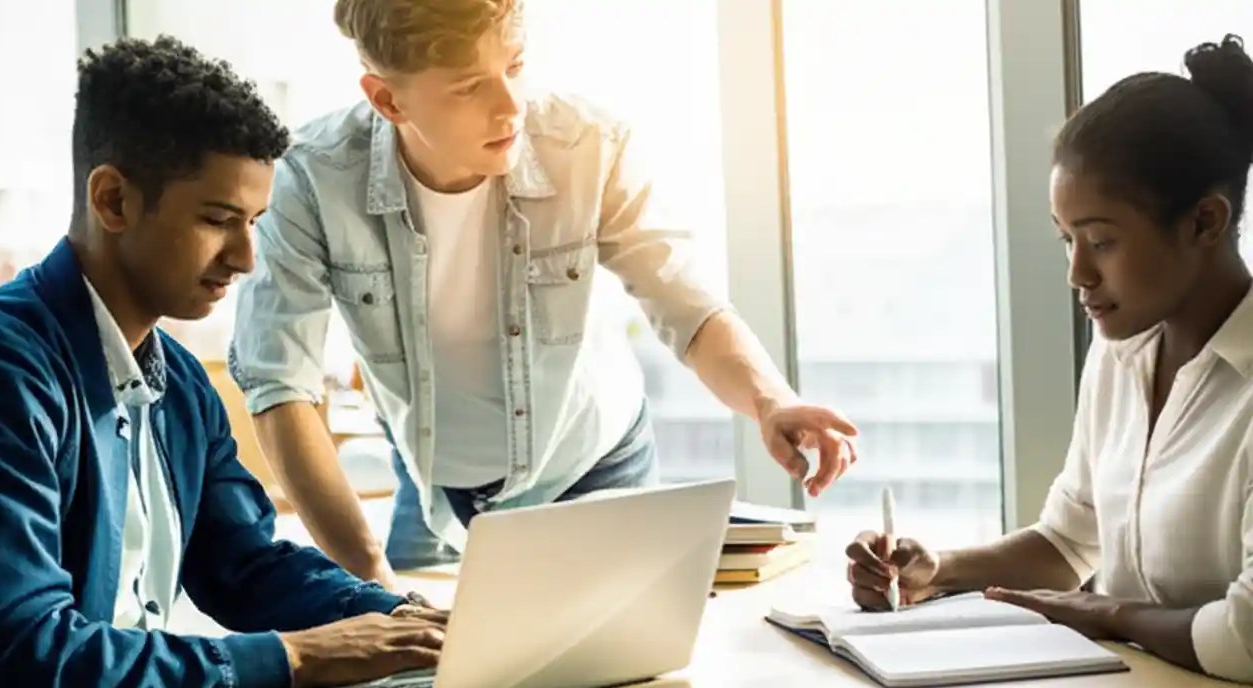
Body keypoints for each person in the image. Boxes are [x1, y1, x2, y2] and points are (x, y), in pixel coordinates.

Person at [229, 0, 859, 585]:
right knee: (424, 673)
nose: (510, 107)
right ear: (388, 101)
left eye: (516, 65)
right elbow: (280, 384)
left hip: (593, 467)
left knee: (617, 683)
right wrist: (367, 577)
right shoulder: (310, 180)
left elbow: (681, 300)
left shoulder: (587, 145)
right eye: (470, 86)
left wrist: (771, 400)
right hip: (432, 486)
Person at [0, 37, 449, 688]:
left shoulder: (182, 385)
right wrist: (299, 656)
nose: (247, 258)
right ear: (112, 201)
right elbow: (22, 657)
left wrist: (410, 622)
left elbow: (246, 564)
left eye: (255, 222)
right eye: (218, 220)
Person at [845, 35, 1253, 684]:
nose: (1078, 274)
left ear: (1204, 222)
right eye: (1067, 239)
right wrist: (936, 570)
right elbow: (1068, 542)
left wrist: (1111, 615)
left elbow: (1245, 635)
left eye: (1100, 240)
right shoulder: (1121, 353)